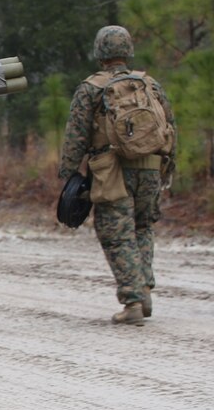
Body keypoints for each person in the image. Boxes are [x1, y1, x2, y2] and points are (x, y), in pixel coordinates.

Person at [59, 25, 176, 326]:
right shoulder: (150, 84)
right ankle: (144, 288)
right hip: (151, 166)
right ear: (128, 50)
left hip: (112, 170)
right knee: (142, 227)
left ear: (100, 53)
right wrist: (167, 165)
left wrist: (68, 173)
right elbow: (169, 126)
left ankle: (133, 301)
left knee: (115, 233)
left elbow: (76, 135)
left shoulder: (91, 88)